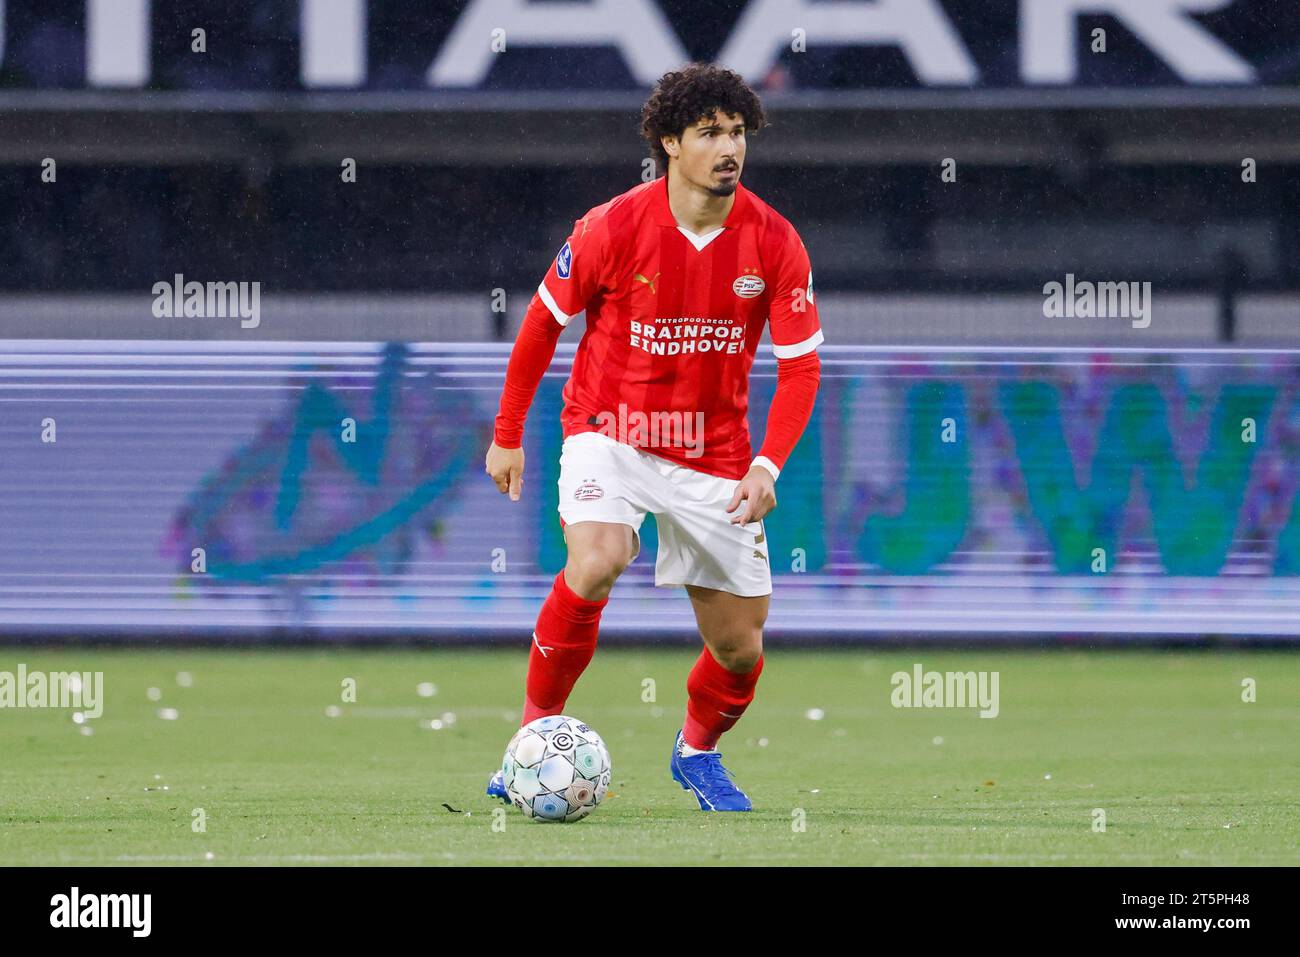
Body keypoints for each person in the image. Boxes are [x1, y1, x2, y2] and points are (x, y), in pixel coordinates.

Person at [485, 63, 822, 812]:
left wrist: (768, 463)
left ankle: (696, 751)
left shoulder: (774, 242)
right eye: (709, 132)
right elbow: (541, 324)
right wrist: (507, 433)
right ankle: (532, 738)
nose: (728, 146)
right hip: (611, 430)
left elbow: (801, 370)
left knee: (740, 650)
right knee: (599, 557)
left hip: (716, 454)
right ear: (670, 142)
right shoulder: (611, 226)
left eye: (737, 132)